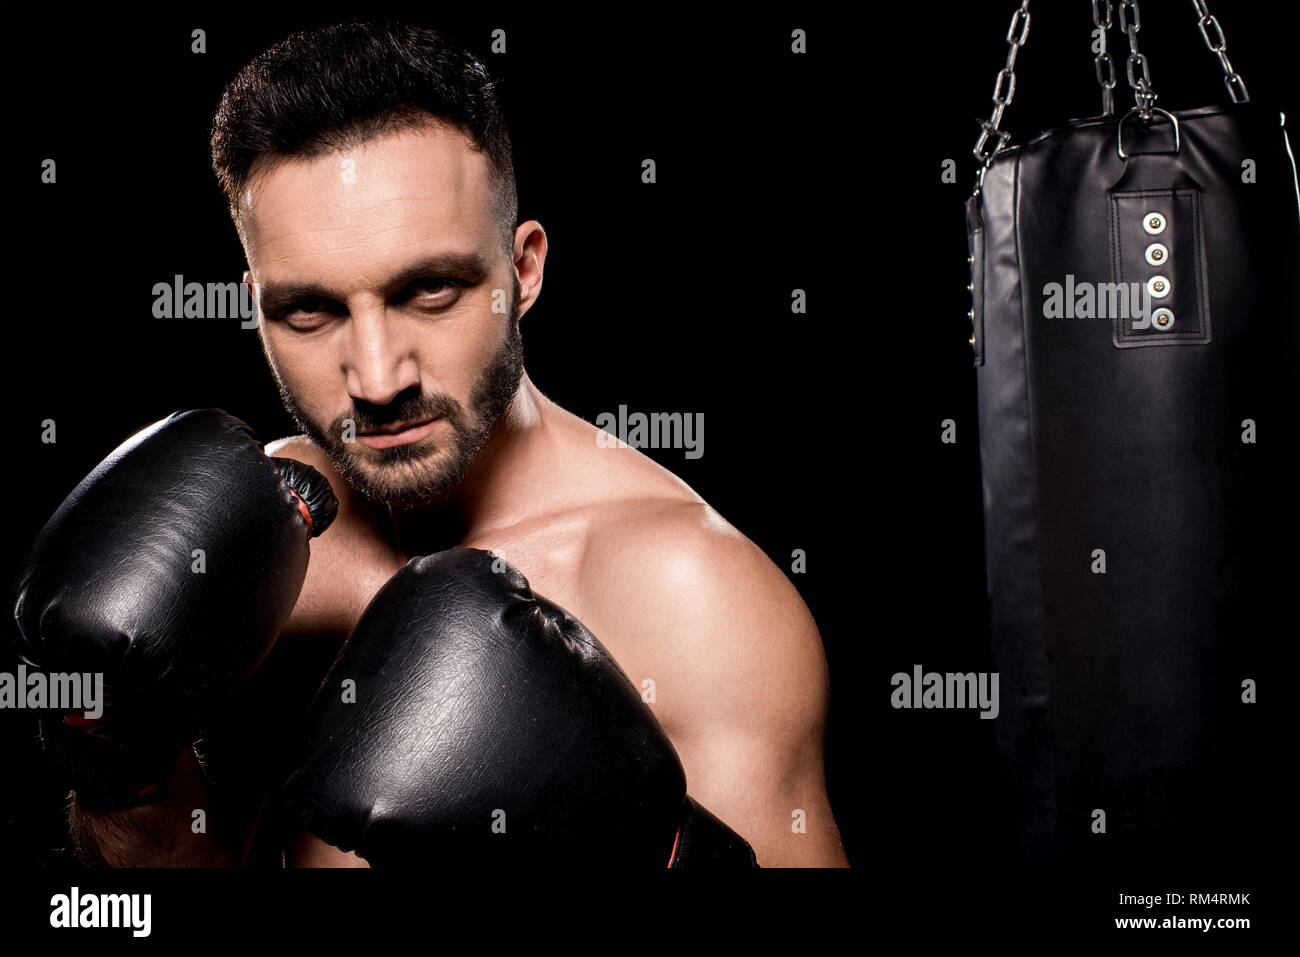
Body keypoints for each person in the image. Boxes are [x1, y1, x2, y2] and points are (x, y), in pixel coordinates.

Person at [16, 21, 848, 868]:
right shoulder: (245, 539)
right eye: (310, 310)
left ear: (522, 270)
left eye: (429, 290)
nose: (377, 379)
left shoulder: (693, 602)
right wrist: (117, 761)